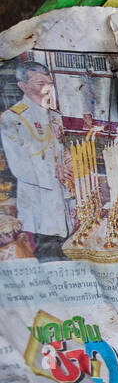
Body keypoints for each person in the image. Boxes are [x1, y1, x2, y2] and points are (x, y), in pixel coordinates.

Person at [0, 60, 72, 259]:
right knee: (48, 260)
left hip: (62, 204)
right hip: (39, 209)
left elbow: (60, 150)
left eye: (50, 83)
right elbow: (20, 166)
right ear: (23, 86)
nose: (48, 89)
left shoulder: (55, 117)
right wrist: (54, 170)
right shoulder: (13, 118)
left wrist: (67, 160)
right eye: (41, 84)